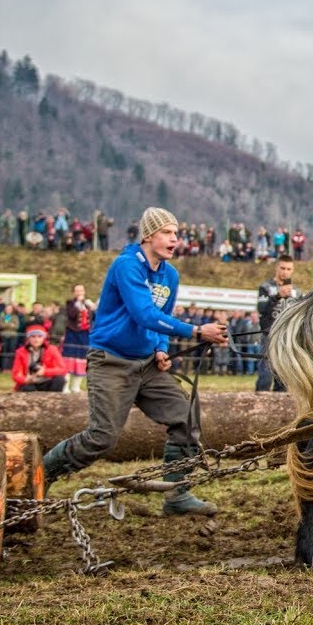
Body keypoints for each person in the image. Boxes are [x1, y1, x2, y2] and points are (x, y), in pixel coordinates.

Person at [41, 207, 228, 516]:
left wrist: (161, 348)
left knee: (185, 415)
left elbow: (161, 319)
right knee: (102, 438)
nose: (174, 239)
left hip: (146, 364)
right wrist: (196, 331)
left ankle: (177, 494)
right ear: (148, 235)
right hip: (111, 361)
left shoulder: (170, 274)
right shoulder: (127, 266)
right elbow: (143, 313)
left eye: (176, 233)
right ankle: (43, 472)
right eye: (167, 232)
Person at [255, 254, 301, 391]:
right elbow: (261, 309)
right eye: (282, 268)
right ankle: (258, 406)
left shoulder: (297, 292)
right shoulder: (266, 287)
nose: (285, 272)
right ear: (276, 267)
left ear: (292, 270)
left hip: (287, 338)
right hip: (269, 335)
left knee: (284, 377)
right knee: (265, 375)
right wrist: (277, 296)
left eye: (288, 269)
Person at [11, 325, 67, 391]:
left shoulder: (52, 349)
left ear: (44, 338)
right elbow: (15, 374)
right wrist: (25, 380)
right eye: (33, 336)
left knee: (60, 380)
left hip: (47, 380)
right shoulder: (20, 352)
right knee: (27, 389)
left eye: (39, 336)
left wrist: (45, 371)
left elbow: (63, 369)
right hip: (29, 382)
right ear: (28, 338)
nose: (36, 340)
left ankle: (53, 399)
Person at [62, 284, 95, 393]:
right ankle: (65, 386)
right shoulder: (70, 303)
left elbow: (94, 317)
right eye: (77, 290)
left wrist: (93, 307)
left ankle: (76, 386)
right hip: (72, 334)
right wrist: (78, 304)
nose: (79, 292)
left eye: (81, 290)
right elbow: (72, 315)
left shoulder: (88, 304)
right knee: (68, 359)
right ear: (74, 292)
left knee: (82, 359)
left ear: (84, 291)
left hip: (85, 335)